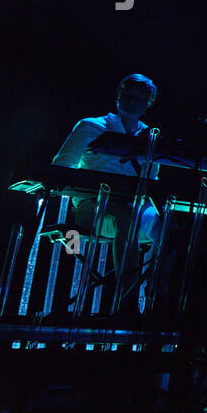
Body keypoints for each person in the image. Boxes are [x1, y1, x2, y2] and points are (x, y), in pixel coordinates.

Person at [52, 73, 162, 308]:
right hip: (91, 205)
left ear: (148, 104)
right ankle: (128, 302)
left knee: (169, 226)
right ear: (118, 97)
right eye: (128, 96)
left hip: (133, 205)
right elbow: (60, 168)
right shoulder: (90, 126)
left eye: (139, 98)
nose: (132, 102)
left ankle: (158, 300)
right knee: (126, 219)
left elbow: (151, 180)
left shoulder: (151, 137)